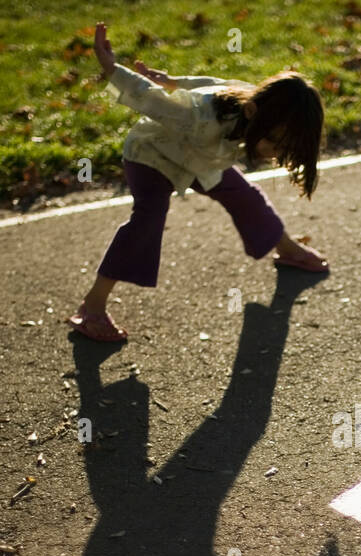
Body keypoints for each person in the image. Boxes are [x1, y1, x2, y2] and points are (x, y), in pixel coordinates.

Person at [70, 21, 327, 342]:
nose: (276, 153)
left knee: (244, 195)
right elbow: (148, 97)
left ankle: (288, 249)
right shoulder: (197, 114)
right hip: (153, 157)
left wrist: (176, 81)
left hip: (201, 160)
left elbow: (215, 82)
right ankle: (92, 307)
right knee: (148, 219)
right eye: (274, 143)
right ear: (250, 112)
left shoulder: (252, 103)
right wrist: (111, 68)